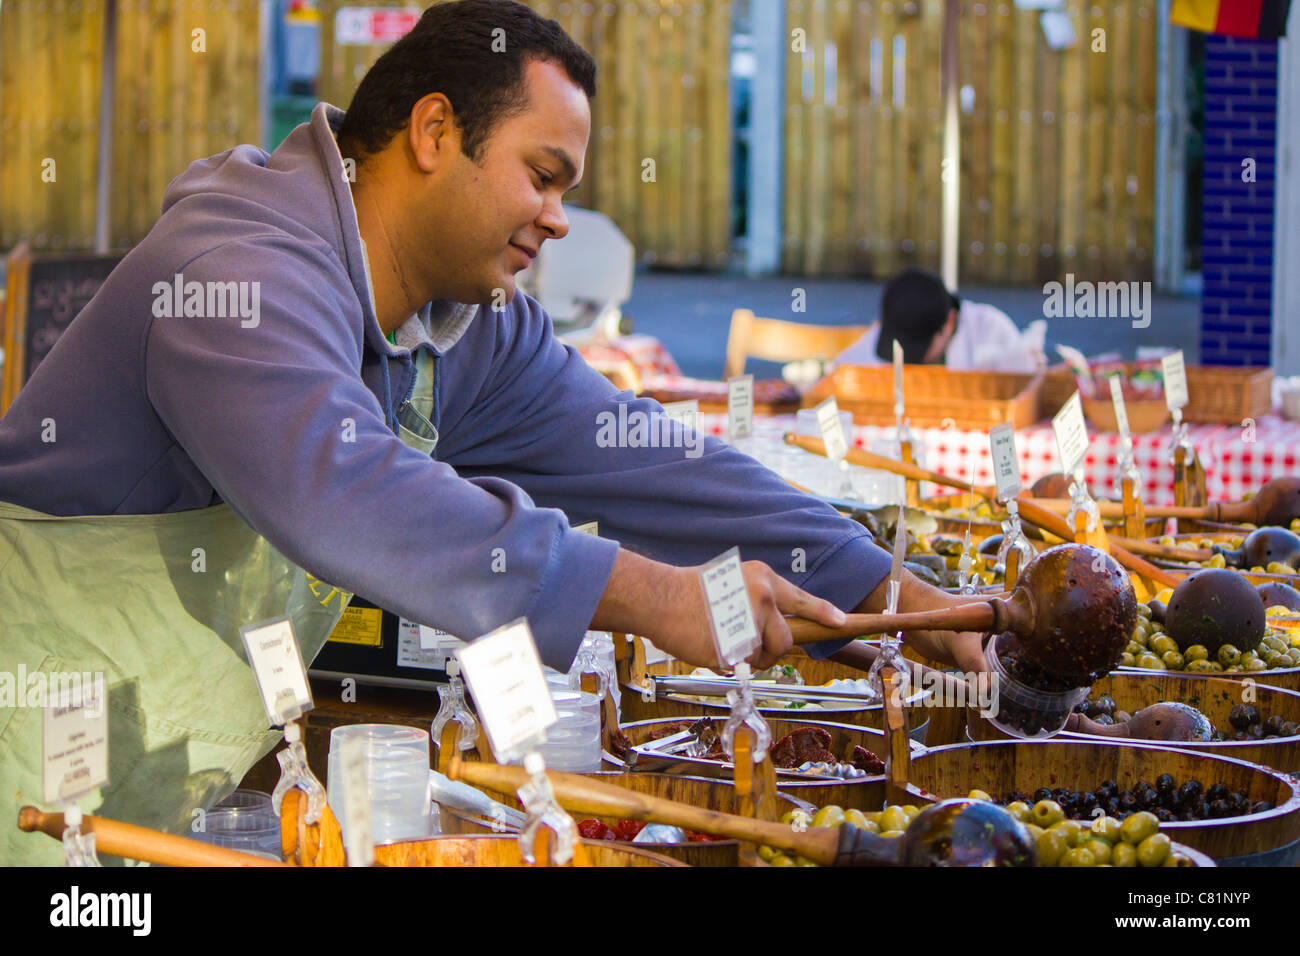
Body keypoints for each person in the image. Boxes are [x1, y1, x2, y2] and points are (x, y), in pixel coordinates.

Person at [0, 0, 982, 861]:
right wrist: (648, 594)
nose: (559, 219)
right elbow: (337, 488)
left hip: (151, 784)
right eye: (543, 176)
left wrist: (878, 585)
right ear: (433, 130)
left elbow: (636, 454)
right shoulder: (236, 265)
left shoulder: (466, 323)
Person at [835, 267, 1043, 372]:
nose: (910, 361)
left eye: (918, 346)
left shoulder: (990, 329)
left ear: (949, 322)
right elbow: (842, 371)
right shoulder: (895, 319)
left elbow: (1028, 383)